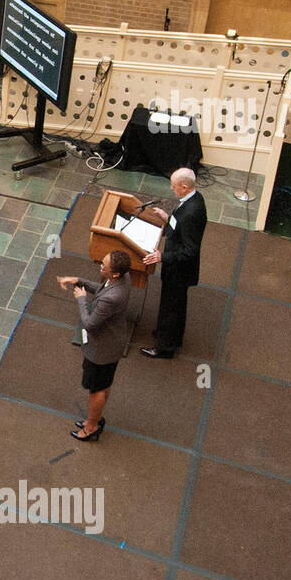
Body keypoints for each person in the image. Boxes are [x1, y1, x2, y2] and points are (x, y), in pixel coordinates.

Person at [58, 251, 132, 441]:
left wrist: (81, 298)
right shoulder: (123, 279)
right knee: (104, 384)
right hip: (111, 344)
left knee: (96, 389)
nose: (101, 265)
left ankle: (91, 426)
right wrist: (78, 280)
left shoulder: (112, 298)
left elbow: (90, 324)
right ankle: (95, 418)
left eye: (104, 265)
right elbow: (101, 288)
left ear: (114, 273)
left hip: (102, 350)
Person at [141, 168, 207, 359]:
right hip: (179, 269)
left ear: (185, 187)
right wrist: (167, 218)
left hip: (179, 271)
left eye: (174, 186)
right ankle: (171, 336)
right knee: (175, 306)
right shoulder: (194, 199)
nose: (172, 189)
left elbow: (189, 250)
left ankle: (165, 347)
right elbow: (181, 226)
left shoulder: (190, 213)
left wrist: (163, 257)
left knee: (171, 308)